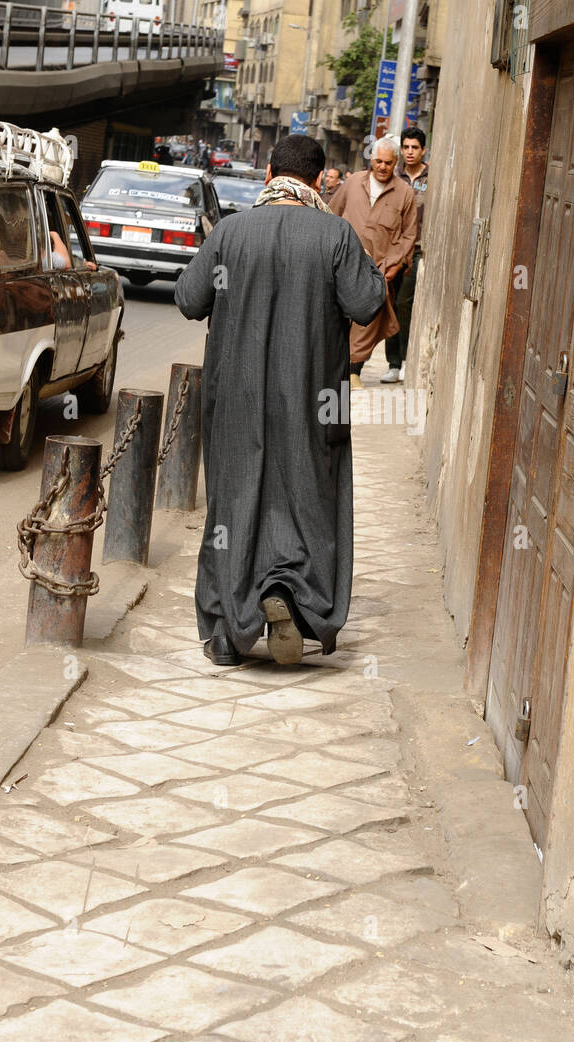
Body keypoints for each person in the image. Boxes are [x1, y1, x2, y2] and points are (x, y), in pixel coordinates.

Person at [174, 133, 386, 667]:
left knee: (236, 502)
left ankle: (228, 633)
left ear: (269, 175)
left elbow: (187, 299)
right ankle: (293, 597)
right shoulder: (335, 235)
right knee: (308, 499)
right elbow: (365, 304)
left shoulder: (231, 232)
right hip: (313, 404)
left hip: (237, 403)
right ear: (318, 181)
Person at [329, 136, 417, 389]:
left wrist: (394, 265)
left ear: (395, 163)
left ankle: (354, 369)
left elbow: (409, 235)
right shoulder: (354, 181)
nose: (382, 167)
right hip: (342, 262)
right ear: (371, 160)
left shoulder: (405, 193)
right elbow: (332, 213)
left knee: (366, 321)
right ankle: (336, 367)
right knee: (336, 316)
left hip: (377, 269)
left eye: (388, 163)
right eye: (378, 161)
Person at [382, 126, 430, 382]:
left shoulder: (431, 177)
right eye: (406, 147)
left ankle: (405, 360)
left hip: (418, 249)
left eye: (415, 148)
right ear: (401, 150)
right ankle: (392, 363)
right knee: (389, 304)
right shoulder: (394, 176)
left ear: (423, 150)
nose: (410, 152)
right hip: (393, 250)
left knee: (404, 303)